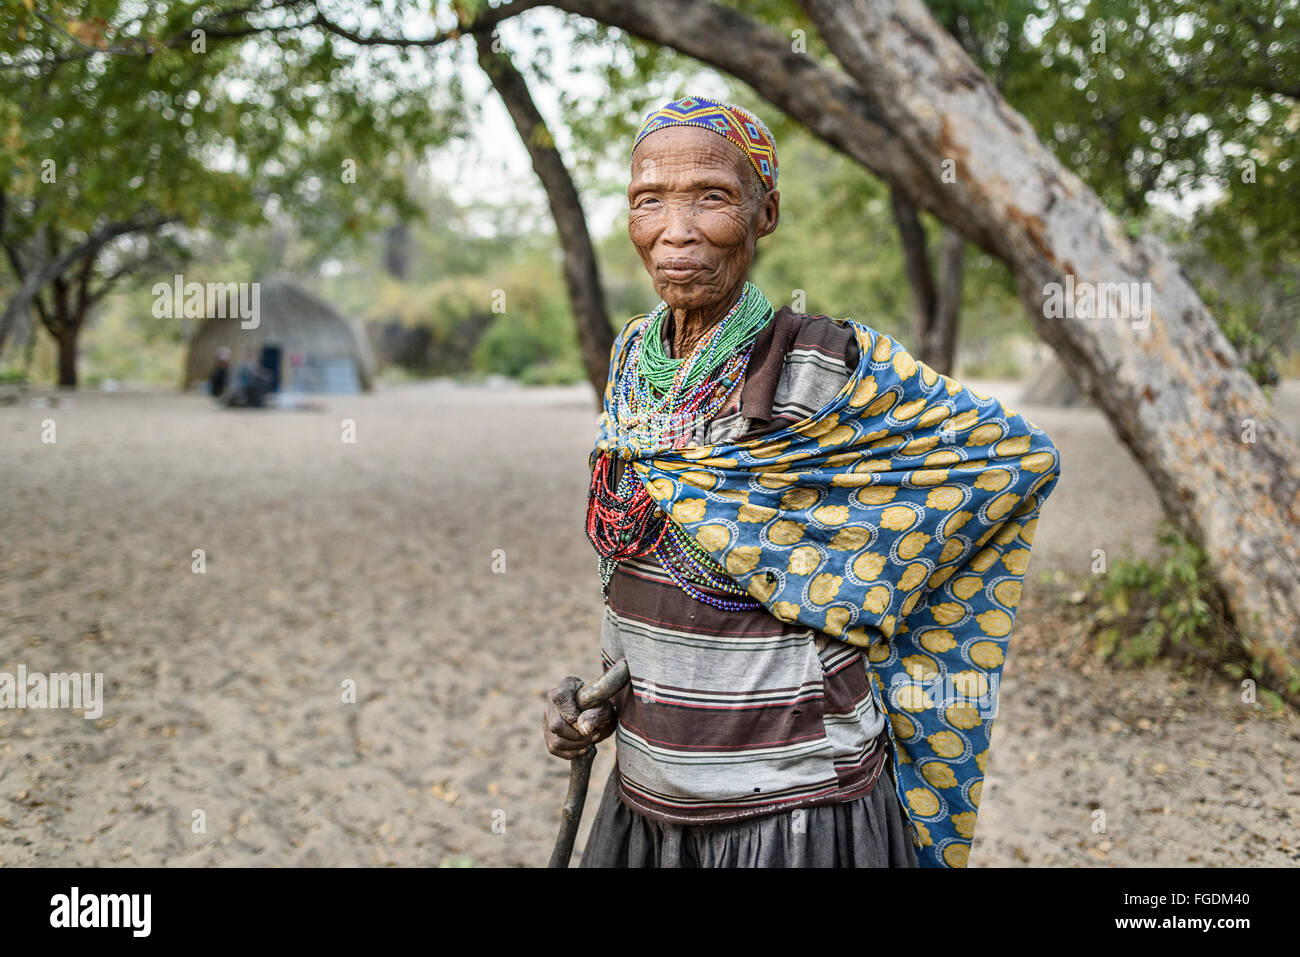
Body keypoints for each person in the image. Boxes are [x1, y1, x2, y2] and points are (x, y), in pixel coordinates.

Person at [543, 95, 1063, 868]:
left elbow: (1014, 456)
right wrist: (602, 694)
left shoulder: (826, 363)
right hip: (648, 789)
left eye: (712, 197)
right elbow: (632, 554)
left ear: (765, 212)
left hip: (796, 806)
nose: (675, 230)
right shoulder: (630, 363)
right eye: (649, 201)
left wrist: (845, 582)